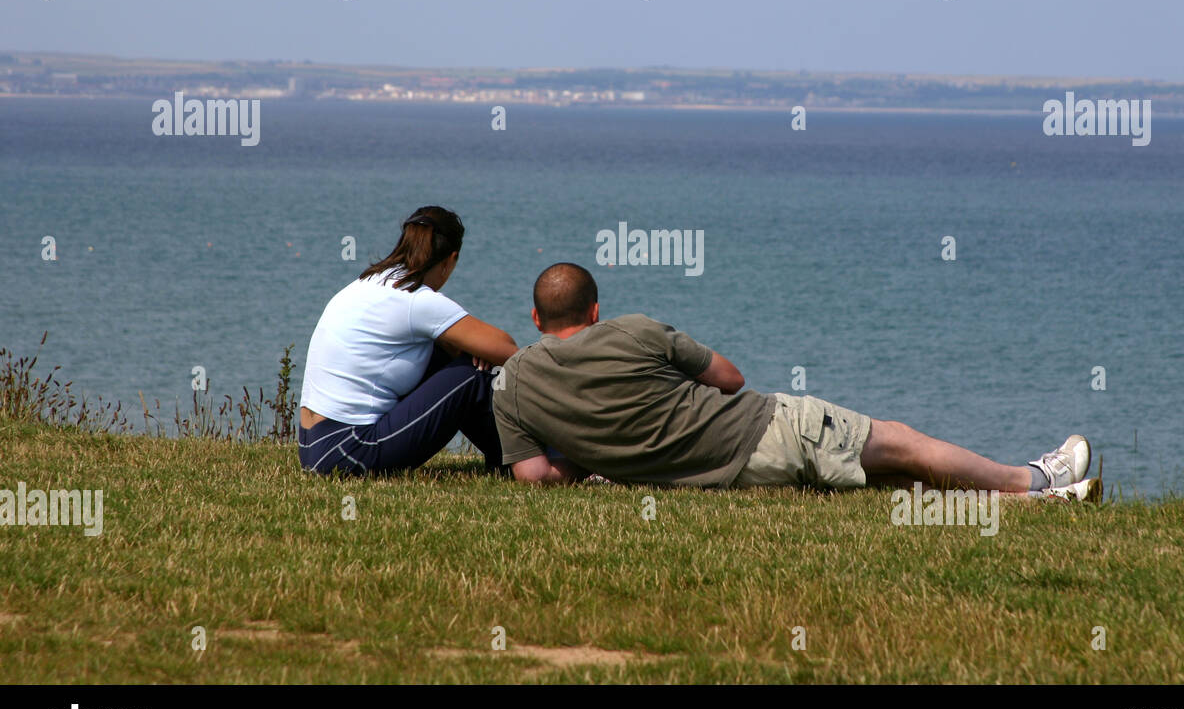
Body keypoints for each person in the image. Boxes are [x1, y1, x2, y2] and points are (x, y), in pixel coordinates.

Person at [492, 262, 1098, 499]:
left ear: (537, 319)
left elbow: (535, 475)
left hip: (723, 477)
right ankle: (1036, 478)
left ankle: (1040, 504)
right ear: (595, 311)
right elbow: (731, 378)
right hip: (764, 430)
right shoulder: (633, 330)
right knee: (898, 440)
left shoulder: (513, 385)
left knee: (894, 476)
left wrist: (592, 448)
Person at [298, 206, 517, 476]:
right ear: (450, 260)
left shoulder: (367, 282)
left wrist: (467, 348)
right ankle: (515, 463)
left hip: (312, 446)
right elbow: (508, 350)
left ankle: (510, 461)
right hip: (347, 450)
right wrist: (476, 351)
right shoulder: (416, 298)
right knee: (473, 374)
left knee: (444, 352)